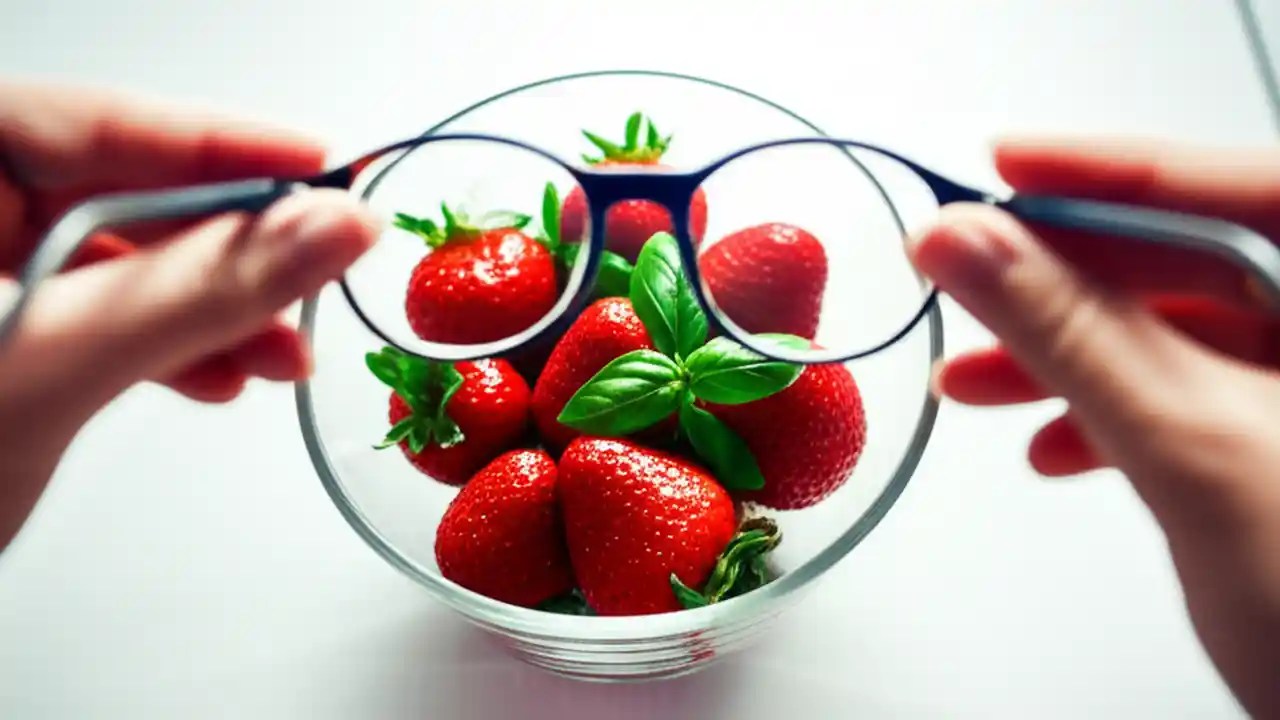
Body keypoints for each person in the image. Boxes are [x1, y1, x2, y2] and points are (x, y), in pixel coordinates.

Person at [0, 83, 1276, 714]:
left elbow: (593, 405)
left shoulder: (615, 345)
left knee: (612, 344)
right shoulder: (574, 361)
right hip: (626, 488)